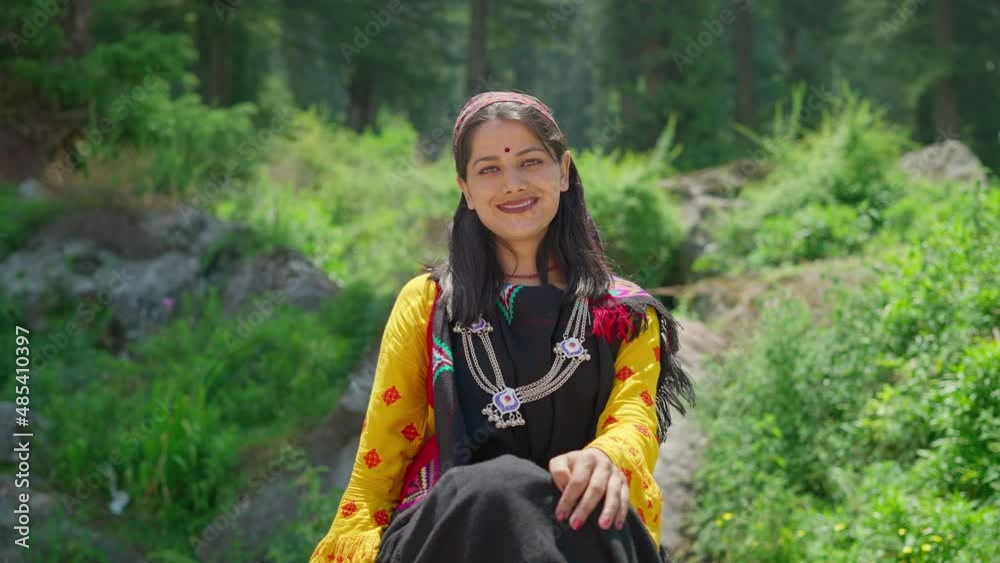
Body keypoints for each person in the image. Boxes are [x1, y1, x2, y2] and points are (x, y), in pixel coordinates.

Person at [309, 91, 695, 563]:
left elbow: (632, 420)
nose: (513, 183)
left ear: (565, 171)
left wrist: (606, 459)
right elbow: (380, 454)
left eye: (531, 162)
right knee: (496, 489)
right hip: (450, 531)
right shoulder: (429, 304)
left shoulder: (625, 313)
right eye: (489, 169)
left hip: (576, 526)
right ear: (466, 190)